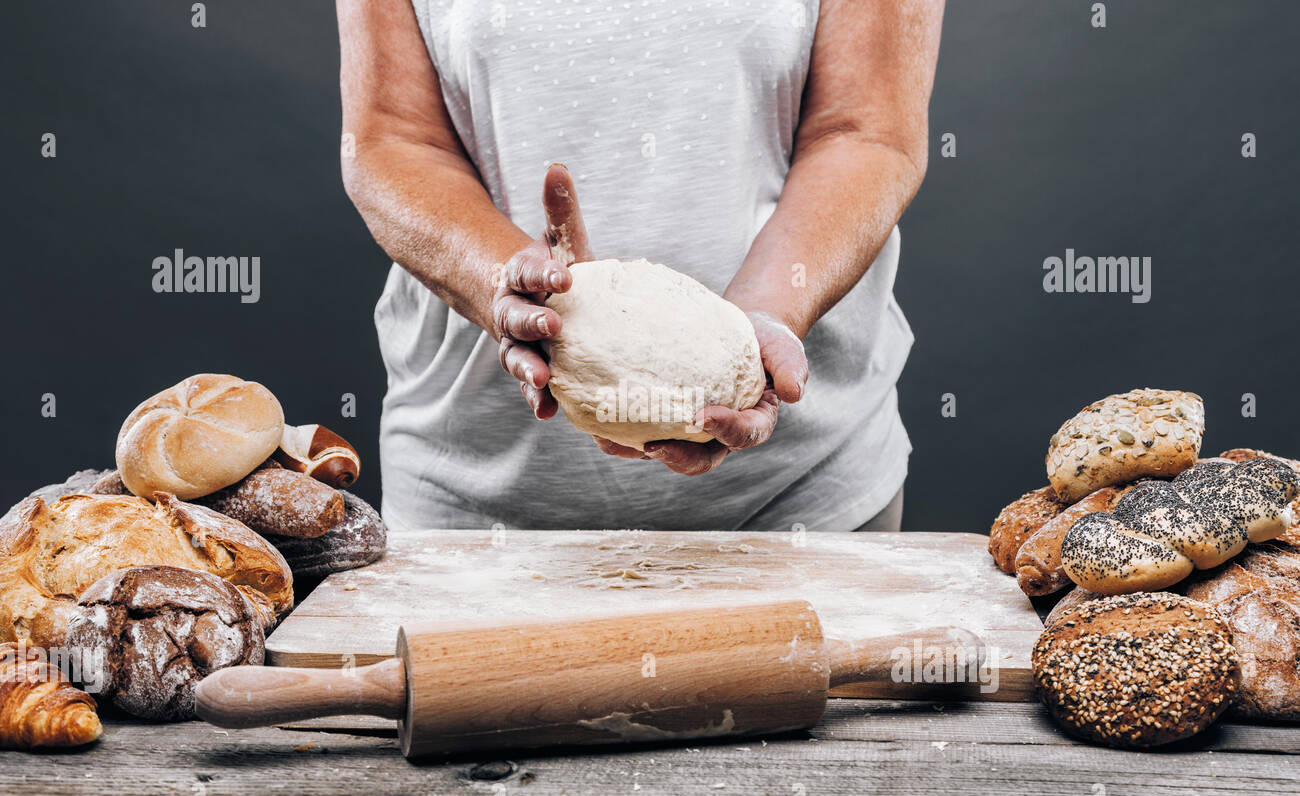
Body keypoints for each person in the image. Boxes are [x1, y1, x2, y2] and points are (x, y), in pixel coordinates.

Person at [338, 0, 944, 532]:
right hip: (473, 504)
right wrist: (509, 282)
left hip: (801, 502)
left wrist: (768, 310)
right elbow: (390, 139)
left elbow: (867, 131)